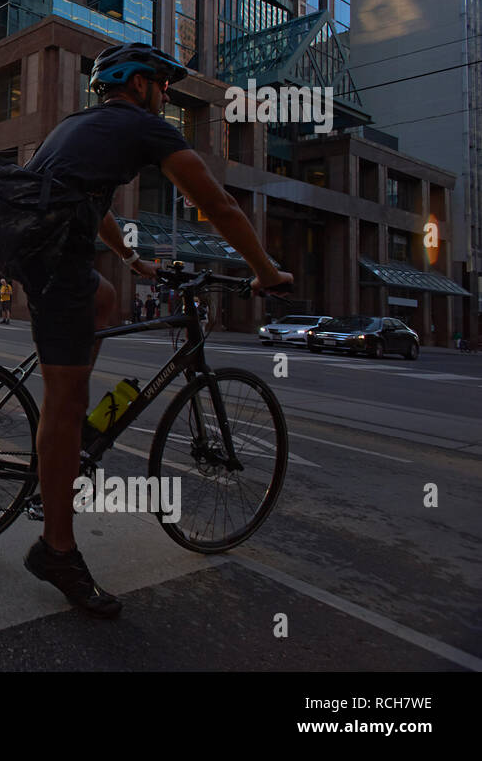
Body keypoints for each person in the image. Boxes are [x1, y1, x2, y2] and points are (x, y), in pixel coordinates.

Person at [19, 42, 292, 619]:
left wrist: (134, 260)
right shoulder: (144, 128)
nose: (166, 98)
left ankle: (72, 434)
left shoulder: (82, 124)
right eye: (163, 88)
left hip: (41, 256)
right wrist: (265, 271)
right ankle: (57, 551)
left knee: (109, 296)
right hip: (55, 266)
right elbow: (215, 204)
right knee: (66, 401)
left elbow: (95, 208)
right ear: (140, 85)